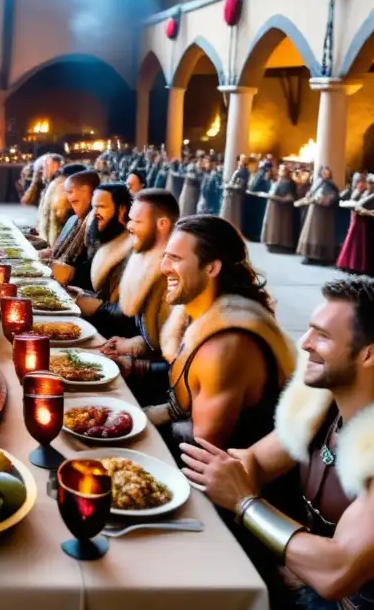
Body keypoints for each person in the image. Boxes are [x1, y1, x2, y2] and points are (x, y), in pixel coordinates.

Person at [180, 277, 374, 610]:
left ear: (369, 354)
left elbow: (337, 571)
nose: (304, 343)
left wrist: (245, 503)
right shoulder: (324, 405)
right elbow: (255, 461)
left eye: (322, 336)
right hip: (317, 600)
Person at [147, 215, 295, 454]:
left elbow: (201, 452)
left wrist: (134, 427)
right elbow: (189, 390)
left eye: (175, 258)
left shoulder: (226, 347)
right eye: (166, 256)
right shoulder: (198, 316)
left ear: (212, 268)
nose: (163, 268)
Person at [99, 189, 179, 404]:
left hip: (164, 392)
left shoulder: (175, 275)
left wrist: (137, 366)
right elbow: (154, 334)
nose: (129, 226)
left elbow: (183, 361)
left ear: (162, 224)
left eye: (137, 221)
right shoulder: (146, 257)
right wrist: (136, 342)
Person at [73, 182, 134, 324]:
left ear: (122, 210)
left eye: (101, 207)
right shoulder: (103, 234)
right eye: (94, 207)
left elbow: (128, 315)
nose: (94, 213)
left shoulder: (133, 248)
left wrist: (99, 307)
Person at [49, 170, 102, 288]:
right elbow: (57, 252)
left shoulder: (95, 224)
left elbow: (94, 269)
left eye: (75, 202)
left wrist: (71, 273)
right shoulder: (77, 220)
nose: (71, 207)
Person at [336, 174, 374, 277]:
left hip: (372, 227)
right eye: (369, 183)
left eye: (372, 183)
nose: (370, 186)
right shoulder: (367, 194)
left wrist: (364, 211)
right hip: (364, 224)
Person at [296, 165, 341, 265]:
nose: (326, 175)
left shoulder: (331, 185)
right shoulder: (317, 182)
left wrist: (323, 199)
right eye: (324, 173)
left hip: (324, 215)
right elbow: (311, 193)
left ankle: (322, 257)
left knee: (321, 235)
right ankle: (308, 255)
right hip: (313, 212)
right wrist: (309, 196)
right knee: (310, 233)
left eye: (327, 173)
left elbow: (333, 197)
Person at [260, 164, 299, 253]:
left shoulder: (290, 183)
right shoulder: (277, 180)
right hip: (273, 206)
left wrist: (279, 198)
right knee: (271, 225)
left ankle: (280, 244)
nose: (281, 171)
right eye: (280, 169)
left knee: (281, 227)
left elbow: (291, 197)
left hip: (283, 210)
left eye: (284, 170)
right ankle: (271, 242)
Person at [221, 155, 250, 231]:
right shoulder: (239, 170)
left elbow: (240, 185)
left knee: (235, 212)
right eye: (241, 160)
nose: (242, 161)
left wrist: (230, 186)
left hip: (237, 195)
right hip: (232, 194)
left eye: (244, 160)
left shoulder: (244, 172)